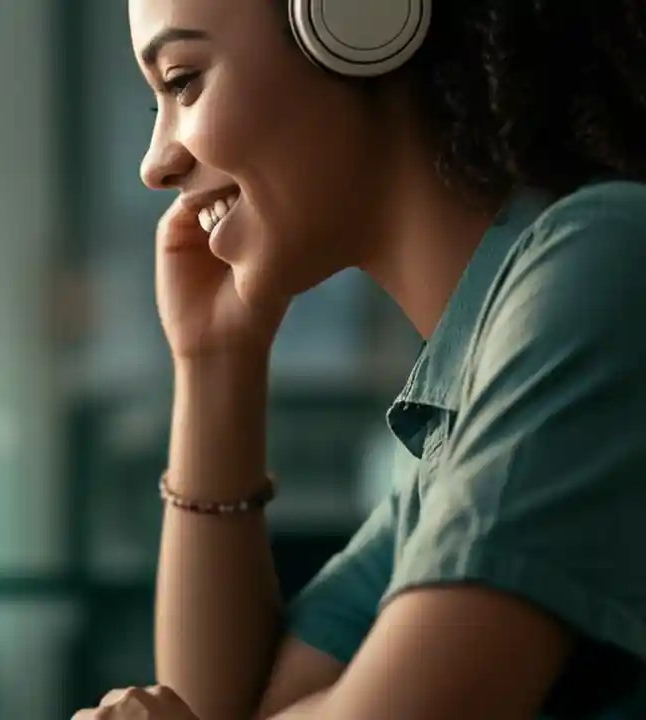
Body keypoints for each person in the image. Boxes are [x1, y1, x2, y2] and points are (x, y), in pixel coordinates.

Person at [74, 0, 646, 718]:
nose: (157, 163)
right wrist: (216, 360)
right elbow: (221, 705)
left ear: (356, 21)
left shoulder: (605, 260)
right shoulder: (452, 429)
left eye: (184, 80)